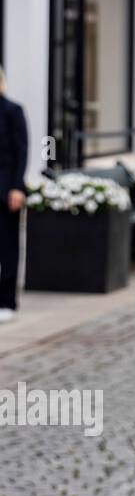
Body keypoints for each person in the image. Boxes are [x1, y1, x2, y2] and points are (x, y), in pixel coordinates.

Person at [0, 67, 28, 324]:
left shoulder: (12, 111)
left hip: (6, 191)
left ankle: (7, 300)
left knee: (7, 246)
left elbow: (22, 151)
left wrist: (17, 187)